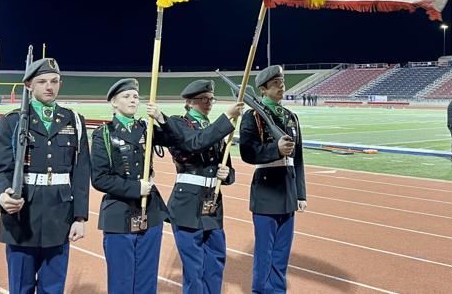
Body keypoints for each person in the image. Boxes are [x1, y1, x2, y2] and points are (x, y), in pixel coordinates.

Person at [92, 78, 237, 294]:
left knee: (147, 280)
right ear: (113, 102)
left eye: (135, 96)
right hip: (119, 212)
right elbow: (100, 178)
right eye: (126, 96)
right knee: (122, 280)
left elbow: (180, 140)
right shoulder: (103, 134)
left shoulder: (146, 129)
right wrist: (136, 188)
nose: (133, 100)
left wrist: (161, 118)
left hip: (150, 211)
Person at [0, 58, 91, 294]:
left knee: (53, 288)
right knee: (20, 287)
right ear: (29, 85)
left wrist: (79, 217)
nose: (49, 86)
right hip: (22, 217)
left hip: (59, 217)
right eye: (42, 81)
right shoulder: (13, 121)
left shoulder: (74, 121)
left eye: (54, 81)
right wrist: (3, 196)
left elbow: (81, 172)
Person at [167, 80, 244, 294]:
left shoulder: (213, 129)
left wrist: (227, 174)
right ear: (189, 102)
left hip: (212, 205)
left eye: (211, 99)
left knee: (215, 263)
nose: (209, 103)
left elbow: (227, 166)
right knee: (194, 269)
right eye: (204, 99)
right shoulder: (179, 124)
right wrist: (226, 118)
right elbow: (195, 143)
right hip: (187, 206)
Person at [239, 65, 307, 294]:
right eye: (275, 84)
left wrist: (300, 194)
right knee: (265, 253)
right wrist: (275, 149)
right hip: (267, 190)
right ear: (263, 89)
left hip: (288, 191)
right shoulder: (253, 116)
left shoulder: (290, 117)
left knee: (282, 253)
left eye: (282, 82)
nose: (281, 87)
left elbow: (298, 159)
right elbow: (247, 152)